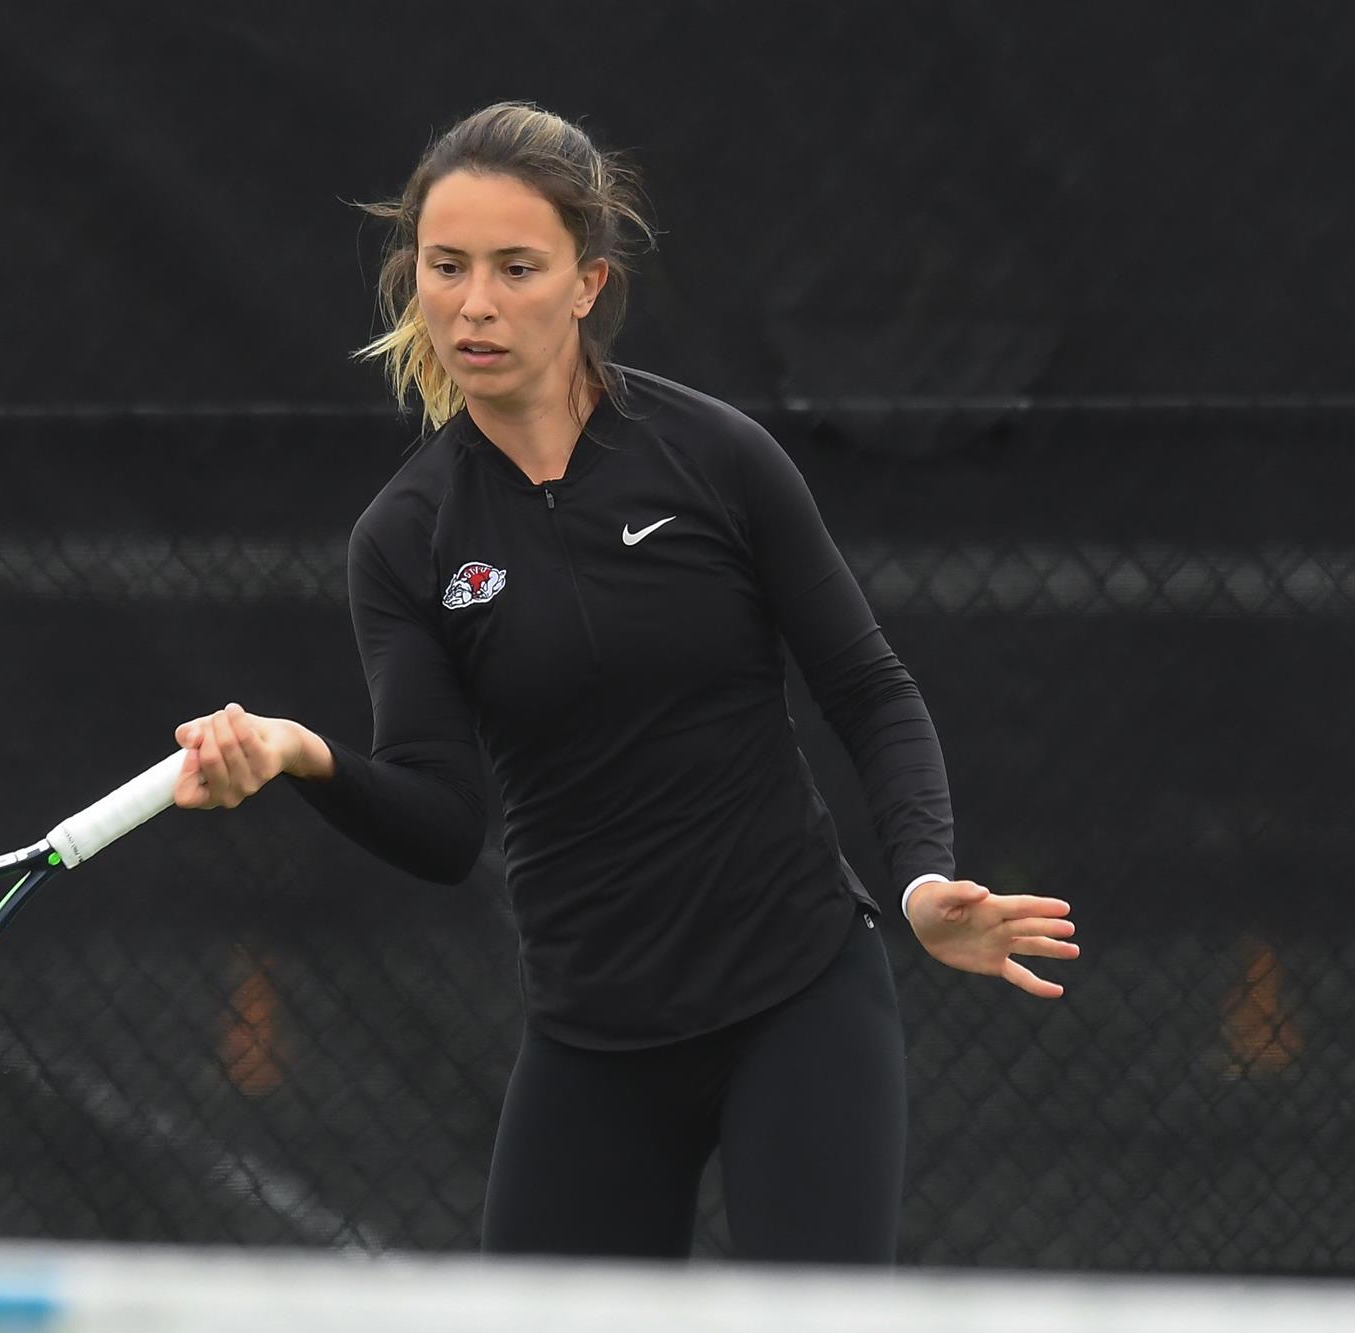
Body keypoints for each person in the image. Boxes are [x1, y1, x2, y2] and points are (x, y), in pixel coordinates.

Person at [170, 101, 1078, 1264]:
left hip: (796, 996)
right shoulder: (402, 539)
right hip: (589, 1035)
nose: (475, 303)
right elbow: (443, 822)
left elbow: (868, 686)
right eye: (445, 268)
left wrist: (917, 882)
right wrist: (303, 753)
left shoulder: (715, 456)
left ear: (587, 282)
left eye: (515, 267)